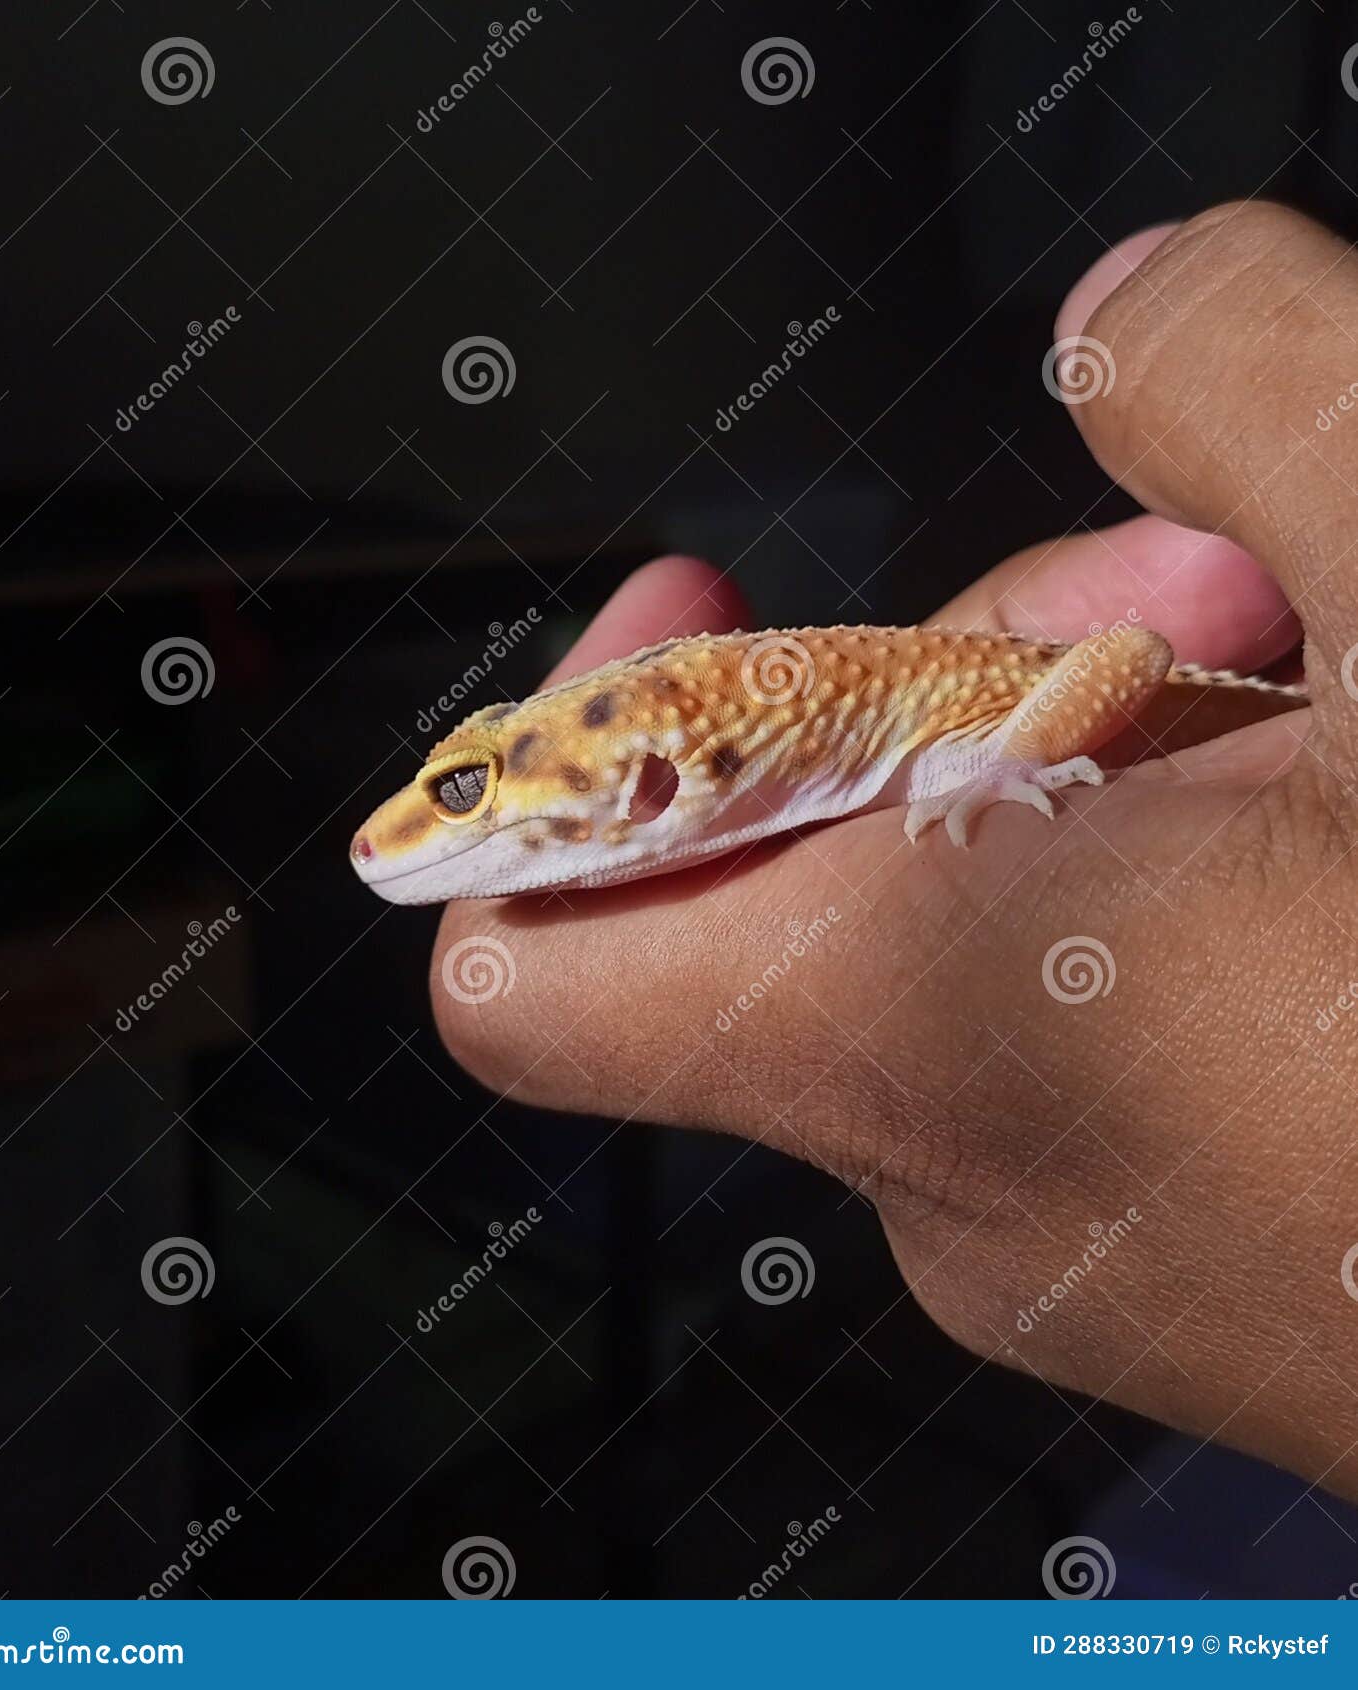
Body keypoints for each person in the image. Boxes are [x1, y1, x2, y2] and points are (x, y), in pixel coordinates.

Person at [431, 201, 1358, 1503]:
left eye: (465, 789)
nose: (401, 834)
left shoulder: (941, 731)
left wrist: (1011, 755)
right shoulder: (886, 758)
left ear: (644, 778)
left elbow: (1131, 651)